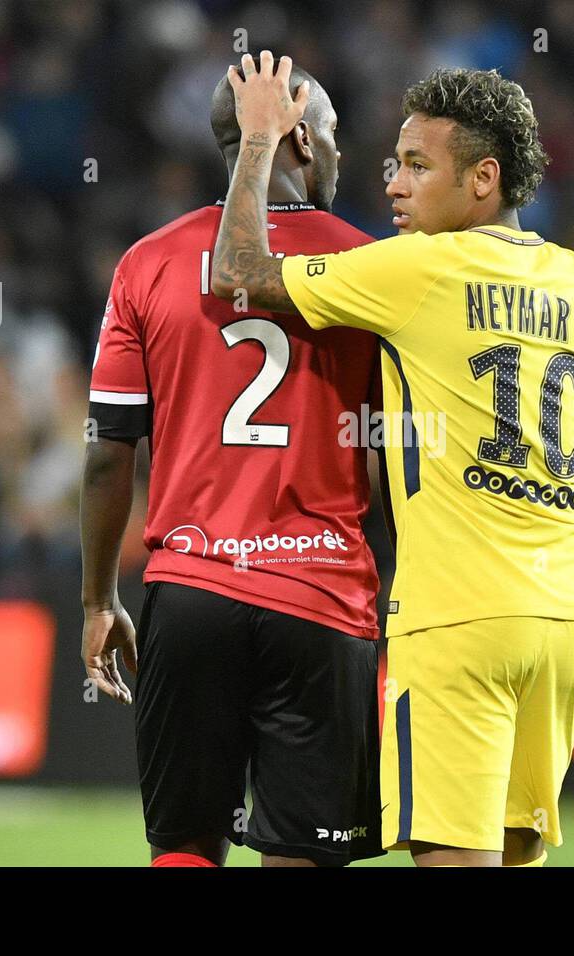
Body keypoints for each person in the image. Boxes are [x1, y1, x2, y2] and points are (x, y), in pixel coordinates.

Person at [212, 53, 574, 867]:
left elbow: (238, 274)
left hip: (454, 620)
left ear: (483, 179)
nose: (394, 185)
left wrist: (256, 142)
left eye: (418, 167)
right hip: (564, 622)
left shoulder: (421, 269)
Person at [80, 61, 384, 867]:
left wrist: (97, 598)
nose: (345, 158)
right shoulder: (372, 269)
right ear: (304, 143)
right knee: (302, 854)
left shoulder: (145, 263)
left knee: (184, 846)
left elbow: (110, 453)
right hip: (322, 599)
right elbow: (397, 462)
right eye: (334, 136)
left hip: (191, 594)